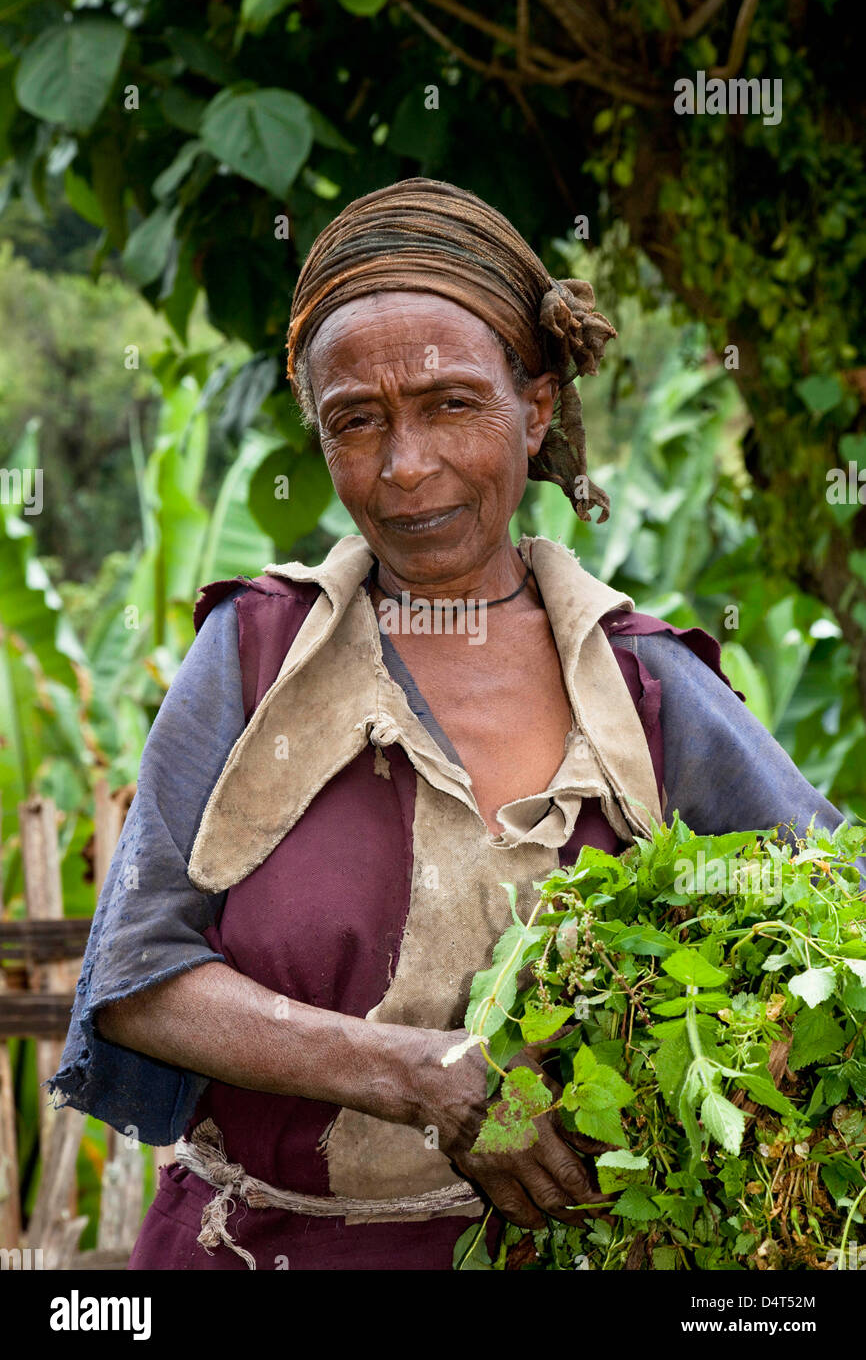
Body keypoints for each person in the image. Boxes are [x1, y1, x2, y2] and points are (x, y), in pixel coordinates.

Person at [49, 178, 860, 1271]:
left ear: (533, 405)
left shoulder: (645, 684)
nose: (404, 466)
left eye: (449, 404)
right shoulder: (254, 655)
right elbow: (135, 980)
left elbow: (826, 923)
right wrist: (413, 1073)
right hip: (261, 1250)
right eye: (356, 422)